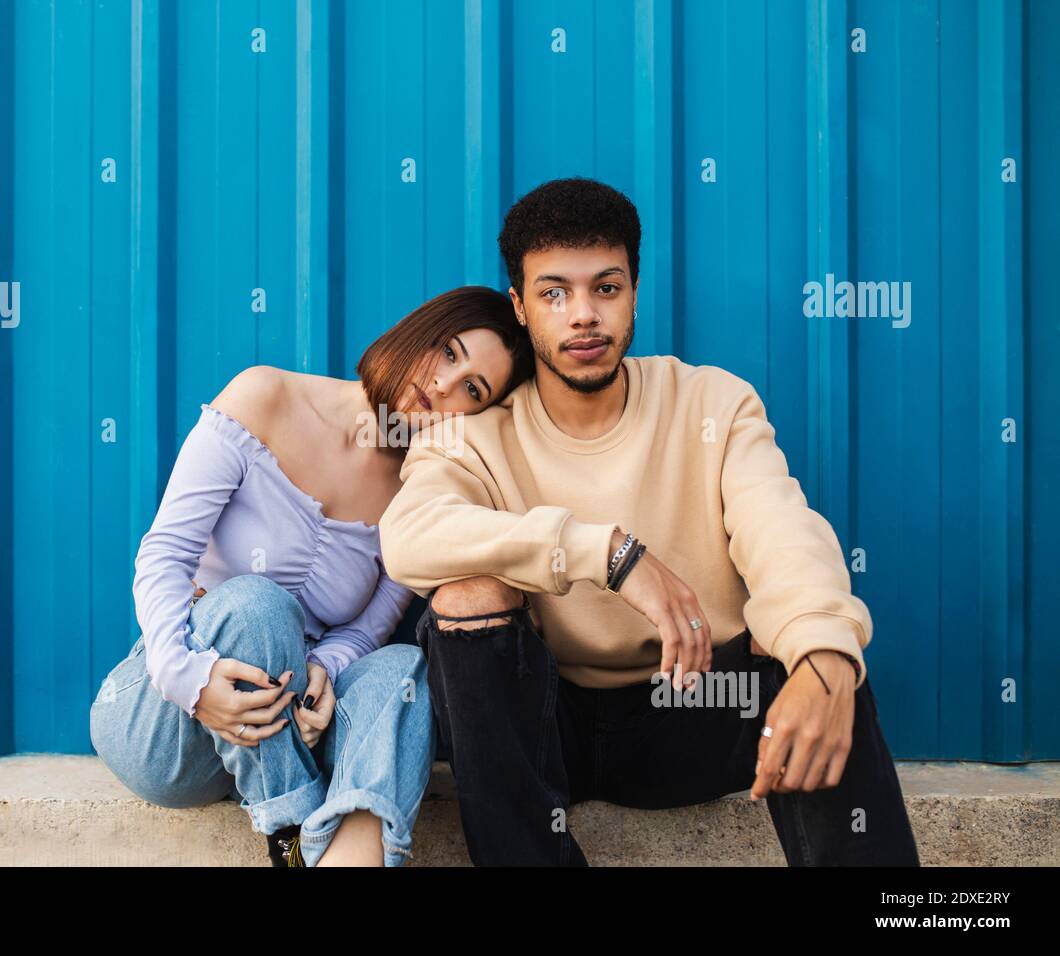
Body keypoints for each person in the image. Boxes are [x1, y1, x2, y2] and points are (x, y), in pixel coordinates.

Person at [379, 177, 920, 866]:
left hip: (694, 709)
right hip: (545, 731)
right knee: (465, 598)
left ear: (634, 290)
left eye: (605, 288)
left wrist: (825, 657)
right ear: (519, 306)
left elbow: (783, 531)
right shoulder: (474, 436)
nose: (583, 316)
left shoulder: (713, 404)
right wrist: (604, 552)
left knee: (814, 650)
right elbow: (410, 536)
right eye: (554, 293)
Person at [90, 285, 535, 867]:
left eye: (473, 390)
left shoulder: (419, 493)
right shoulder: (266, 397)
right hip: (171, 724)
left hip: (294, 732)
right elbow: (164, 554)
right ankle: (291, 836)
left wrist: (322, 671)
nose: (445, 385)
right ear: (418, 331)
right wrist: (191, 682)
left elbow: (365, 634)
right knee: (256, 604)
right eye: (449, 353)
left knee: (407, 666)